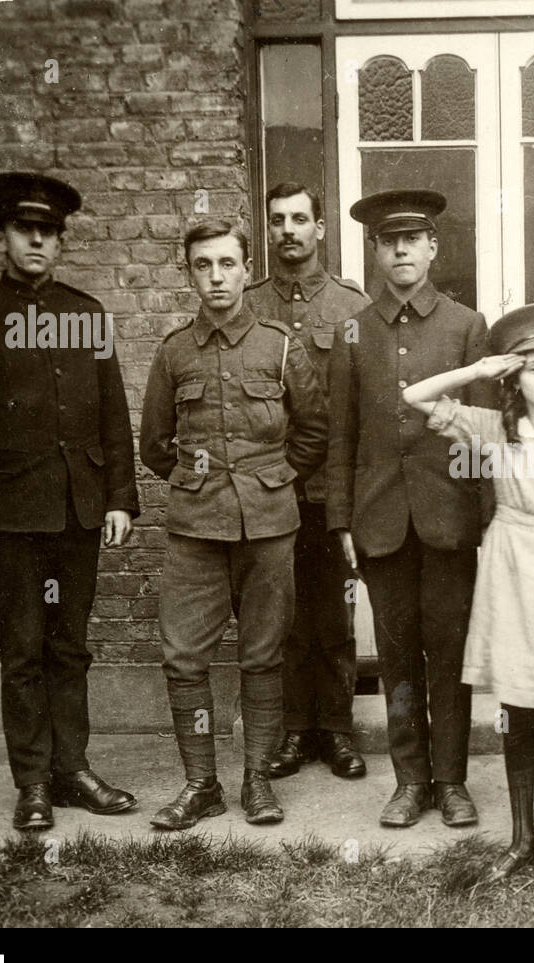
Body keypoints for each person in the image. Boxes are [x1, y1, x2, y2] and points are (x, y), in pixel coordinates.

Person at [0, 171, 139, 831]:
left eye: (49, 231)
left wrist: (119, 500)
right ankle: (32, 783)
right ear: (0, 235)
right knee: (23, 647)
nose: (38, 241)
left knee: (69, 645)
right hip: (14, 518)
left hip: (79, 512)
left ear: (60, 239)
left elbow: (113, 416)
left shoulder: (87, 315)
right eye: (26, 229)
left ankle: (72, 768)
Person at [403, 303, 534, 892]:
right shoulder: (493, 430)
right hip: (509, 576)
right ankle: (520, 841)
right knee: (517, 711)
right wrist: (479, 369)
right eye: (533, 368)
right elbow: (417, 396)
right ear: (515, 378)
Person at [140, 219, 328, 829]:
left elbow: (314, 431)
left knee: (264, 655)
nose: (216, 277)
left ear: (248, 269)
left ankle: (257, 780)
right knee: (184, 658)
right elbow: (155, 445)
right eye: (203, 265)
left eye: (227, 263)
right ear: (190, 272)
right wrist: (198, 474)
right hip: (195, 528)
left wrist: (271, 475)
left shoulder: (278, 345)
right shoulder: (174, 352)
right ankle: (200, 784)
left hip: (270, 525)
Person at [327, 189, 497, 829]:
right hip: (379, 521)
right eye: (388, 241)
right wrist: (341, 519)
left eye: (413, 240)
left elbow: (480, 431)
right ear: (375, 251)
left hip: (449, 521)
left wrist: (486, 519)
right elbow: (341, 432)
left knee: (448, 653)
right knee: (397, 655)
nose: (400, 250)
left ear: (432, 249)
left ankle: (452, 781)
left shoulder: (465, 326)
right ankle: (409, 782)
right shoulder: (354, 331)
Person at [245, 182, 370, 781]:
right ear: (268, 231)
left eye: (300, 219)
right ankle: (296, 729)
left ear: (321, 228)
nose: (288, 230)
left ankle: (339, 731)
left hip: (329, 490)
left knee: (335, 613)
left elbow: (364, 403)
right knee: (284, 615)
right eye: (277, 221)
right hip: (267, 493)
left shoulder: (351, 307)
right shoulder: (248, 305)